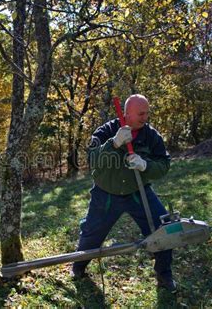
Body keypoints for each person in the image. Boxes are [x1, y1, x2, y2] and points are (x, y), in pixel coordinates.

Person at [72, 94, 176, 292]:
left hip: (138, 192)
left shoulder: (151, 136)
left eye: (147, 113)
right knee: (91, 234)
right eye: (141, 113)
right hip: (106, 194)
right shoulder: (104, 132)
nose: (145, 117)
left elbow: (164, 164)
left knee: (161, 230)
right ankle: (78, 267)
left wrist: (145, 165)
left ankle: (164, 274)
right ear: (126, 114)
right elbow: (92, 159)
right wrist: (114, 144)